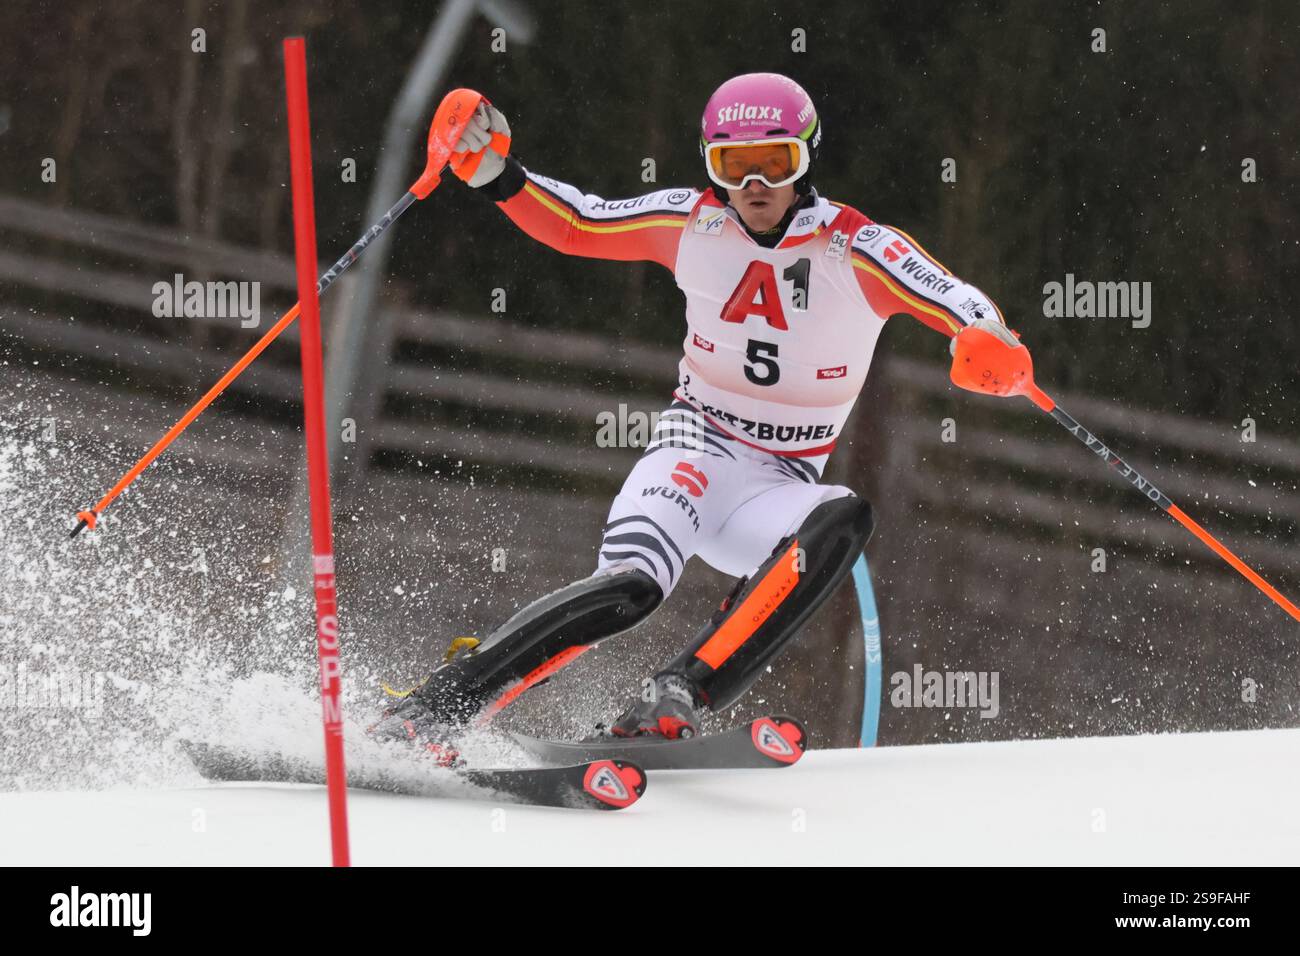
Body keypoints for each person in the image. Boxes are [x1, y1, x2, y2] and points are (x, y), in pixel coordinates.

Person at [371, 72, 1027, 745]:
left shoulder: (853, 248)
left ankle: (676, 693)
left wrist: (991, 343)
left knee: (847, 517)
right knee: (629, 590)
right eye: (733, 165)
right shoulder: (691, 223)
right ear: (712, 167)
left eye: (776, 162)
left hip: (776, 488)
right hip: (695, 452)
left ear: (806, 159)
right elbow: (580, 224)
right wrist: (495, 172)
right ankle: (433, 710)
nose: (755, 184)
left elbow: (955, 298)